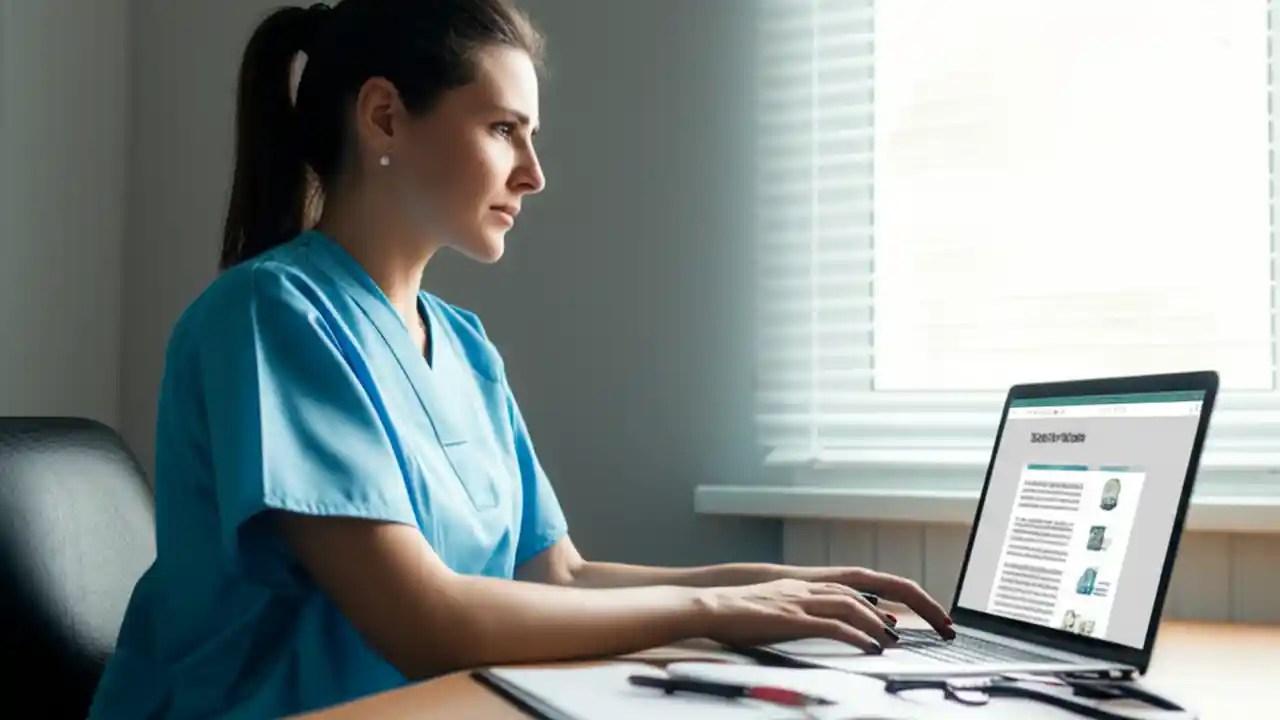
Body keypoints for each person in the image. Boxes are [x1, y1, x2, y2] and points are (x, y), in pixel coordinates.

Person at [89, 1, 954, 717]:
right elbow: (423, 619)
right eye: (504, 129)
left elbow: (562, 575)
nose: (534, 172)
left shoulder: (463, 345)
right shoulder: (268, 314)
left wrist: (781, 586)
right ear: (385, 115)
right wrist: (718, 610)